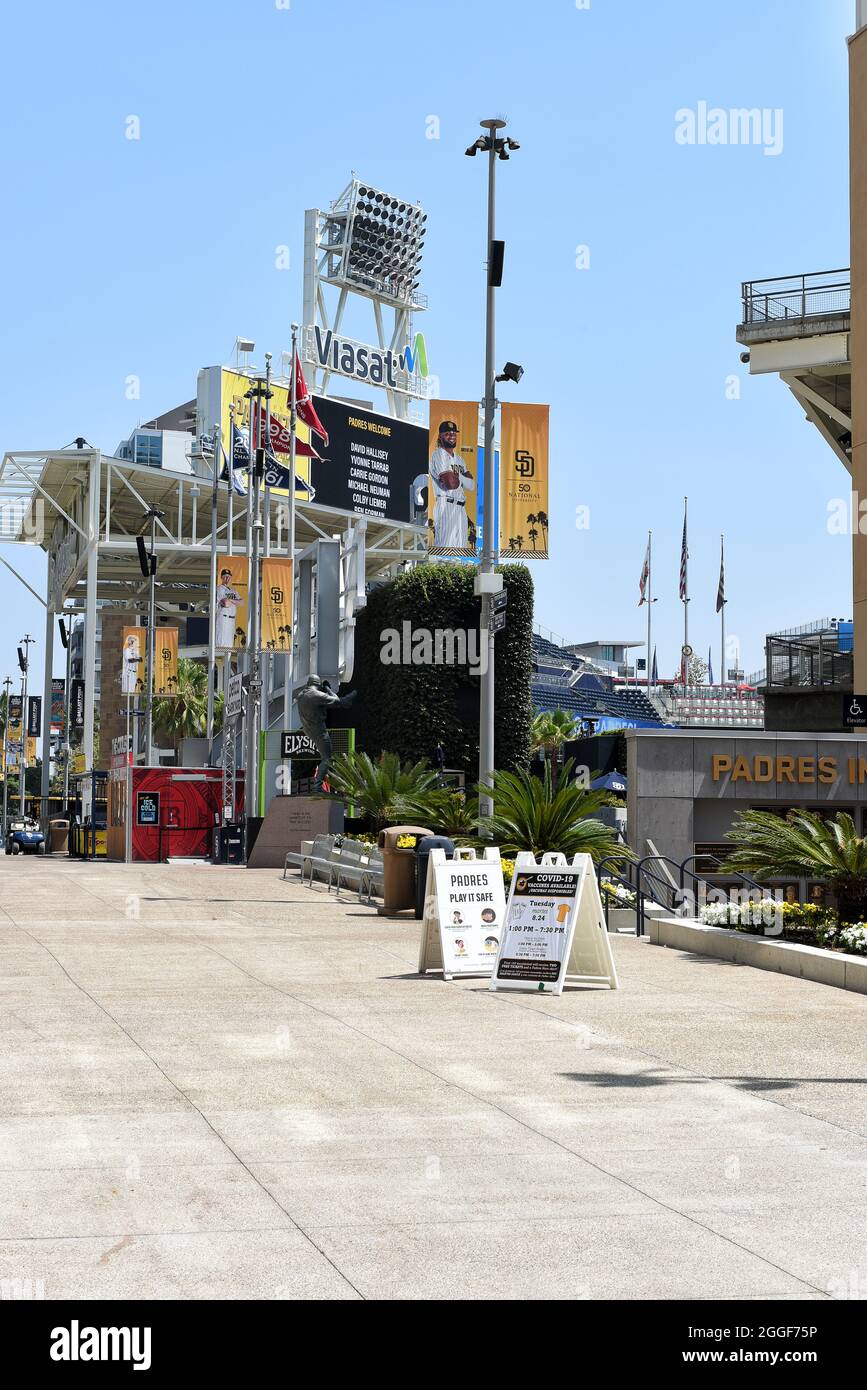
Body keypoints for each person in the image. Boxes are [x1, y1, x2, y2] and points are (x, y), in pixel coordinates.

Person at [295, 675, 357, 789]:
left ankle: (318, 785)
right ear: (318, 685)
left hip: (308, 729)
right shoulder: (316, 694)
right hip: (318, 730)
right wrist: (328, 689)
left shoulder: (301, 694)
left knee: (325, 757)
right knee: (327, 758)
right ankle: (317, 786)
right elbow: (337, 700)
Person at [429, 420, 474, 550]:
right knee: (444, 550)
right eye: (447, 433)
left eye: (454, 433)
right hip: (445, 505)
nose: (452, 436)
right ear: (440, 436)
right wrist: (462, 478)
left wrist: (457, 476)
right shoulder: (438, 454)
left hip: (461, 509)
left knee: (460, 552)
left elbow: (471, 485)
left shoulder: (459, 459)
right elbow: (450, 484)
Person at [216, 567, 243, 648]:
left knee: (229, 646)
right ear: (221, 577)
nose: (227, 578)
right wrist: (235, 601)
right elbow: (225, 603)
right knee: (221, 645)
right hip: (223, 618)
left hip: (232, 619)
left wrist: (230, 600)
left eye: (229, 576)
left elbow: (242, 602)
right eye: (225, 576)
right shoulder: (219, 589)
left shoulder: (233, 590)